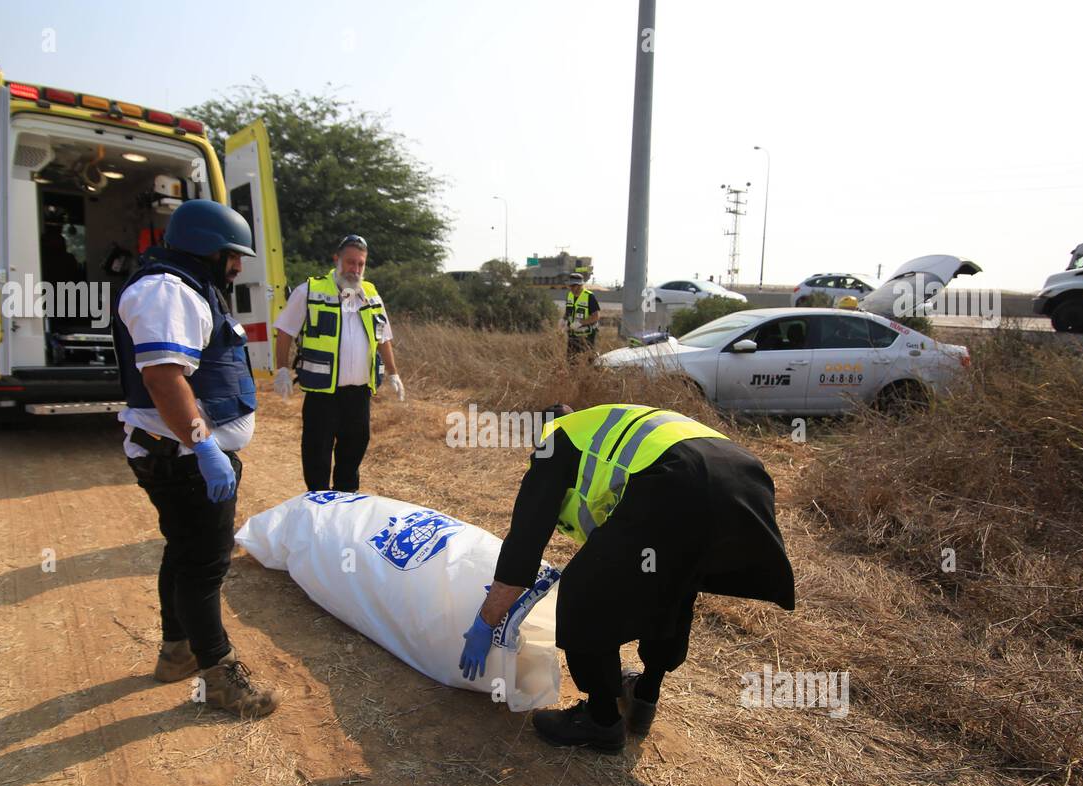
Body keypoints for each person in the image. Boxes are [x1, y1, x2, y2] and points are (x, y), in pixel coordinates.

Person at [460, 403, 795, 752]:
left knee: (584, 592)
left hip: (683, 482)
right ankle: (644, 696)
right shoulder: (606, 426)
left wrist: (487, 621)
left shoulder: (557, 442)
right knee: (673, 584)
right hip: (745, 478)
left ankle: (601, 720)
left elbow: (524, 546)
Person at [112, 198, 281, 719]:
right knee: (205, 568)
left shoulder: (187, 287)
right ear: (208, 247)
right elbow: (164, 378)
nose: (237, 266)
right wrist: (206, 447)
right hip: (183, 457)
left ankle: (176, 653)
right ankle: (220, 675)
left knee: (184, 555)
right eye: (233, 255)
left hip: (185, 454)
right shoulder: (168, 290)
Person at [271, 234, 404, 492]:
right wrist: (282, 370)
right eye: (350, 262)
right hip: (322, 393)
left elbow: (383, 338)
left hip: (359, 394)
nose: (355, 270)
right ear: (337, 260)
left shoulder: (372, 295)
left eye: (360, 264)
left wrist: (393, 374)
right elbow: (285, 330)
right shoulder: (309, 290)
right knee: (317, 453)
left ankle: (345, 504)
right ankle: (318, 505)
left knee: (353, 453)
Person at [564, 273, 601, 361]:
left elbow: (596, 316)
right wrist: (563, 320)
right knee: (571, 360)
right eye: (570, 285)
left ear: (580, 285)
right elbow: (568, 311)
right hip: (572, 335)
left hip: (587, 336)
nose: (571, 288)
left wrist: (580, 323)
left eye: (574, 285)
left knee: (589, 360)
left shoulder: (589, 296)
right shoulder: (570, 295)